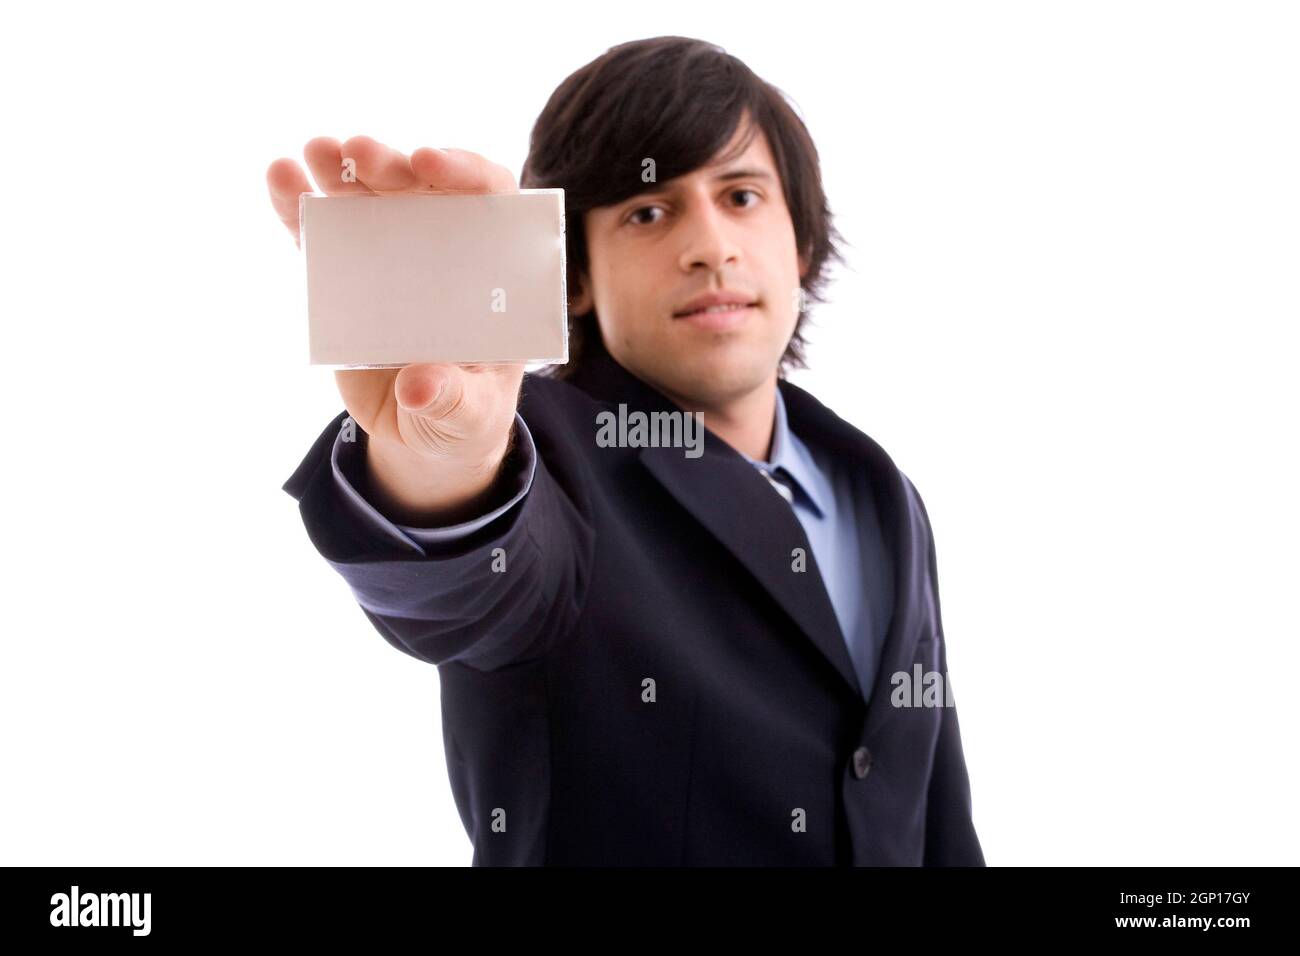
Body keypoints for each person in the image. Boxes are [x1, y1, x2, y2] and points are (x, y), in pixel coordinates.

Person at [268, 35, 984, 866]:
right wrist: (443, 465)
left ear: (803, 244)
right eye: (648, 211)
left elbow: (935, 808)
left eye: (743, 196)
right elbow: (476, 574)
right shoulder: (547, 454)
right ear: (572, 276)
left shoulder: (881, 492)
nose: (711, 246)